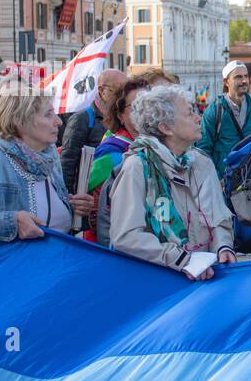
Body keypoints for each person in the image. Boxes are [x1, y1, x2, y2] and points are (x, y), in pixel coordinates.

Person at [110, 84, 236, 279]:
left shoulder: (201, 162)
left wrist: (223, 246)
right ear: (165, 128)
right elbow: (126, 237)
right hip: (163, 279)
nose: (198, 117)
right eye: (189, 113)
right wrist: (184, 260)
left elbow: (218, 216)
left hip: (208, 273)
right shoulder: (138, 166)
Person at [0, 93, 92, 250]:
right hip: (9, 270)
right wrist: (11, 222)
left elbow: (49, 215)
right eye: (48, 115)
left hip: (55, 267)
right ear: (20, 121)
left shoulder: (49, 158)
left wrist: (73, 208)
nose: (59, 122)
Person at [88, 76, 145, 247]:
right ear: (120, 114)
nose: (143, 111)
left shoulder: (164, 145)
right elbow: (98, 209)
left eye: (148, 105)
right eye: (135, 106)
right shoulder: (110, 150)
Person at [198, 61, 251, 179]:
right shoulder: (215, 110)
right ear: (226, 82)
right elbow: (203, 149)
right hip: (224, 181)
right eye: (238, 77)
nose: (244, 81)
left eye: (246, 76)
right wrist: (215, 178)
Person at [60, 68, 126, 193]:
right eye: (119, 91)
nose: (123, 96)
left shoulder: (123, 117)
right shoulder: (81, 119)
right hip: (86, 196)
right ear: (101, 91)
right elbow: (68, 162)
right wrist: (70, 199)